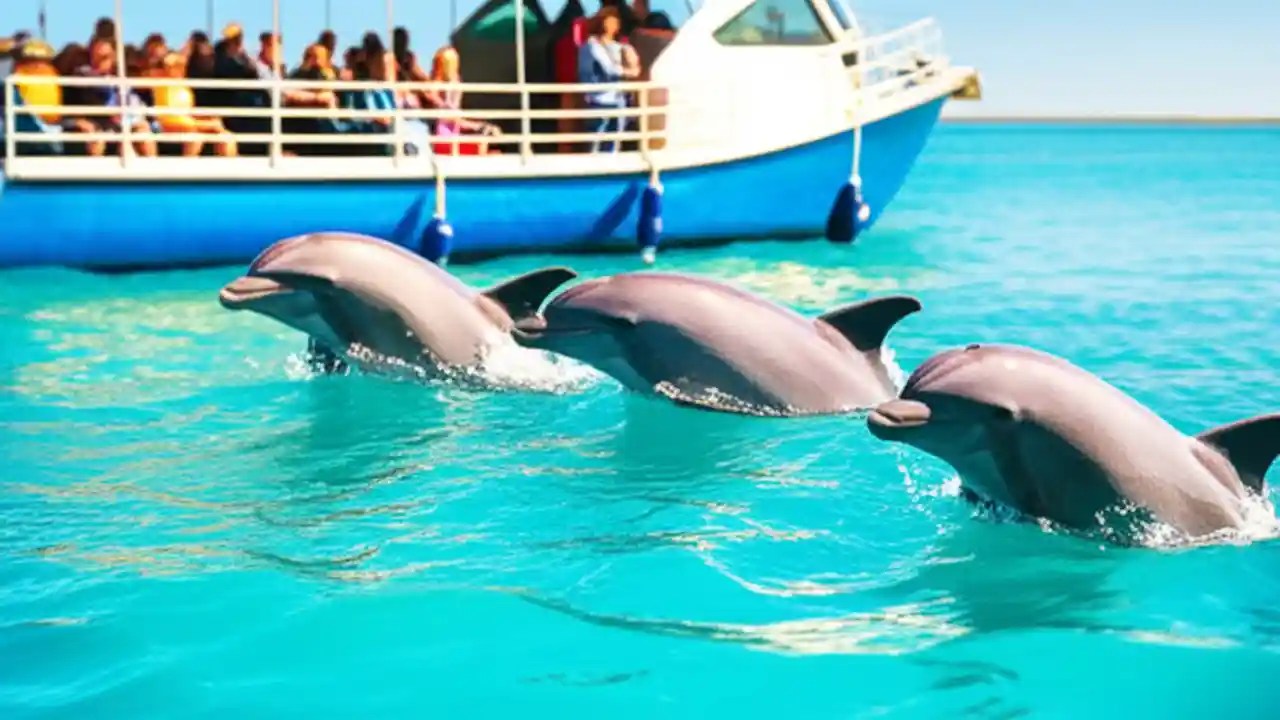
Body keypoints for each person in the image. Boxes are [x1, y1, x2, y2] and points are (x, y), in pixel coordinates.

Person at [578, 7, 639, 153]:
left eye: (615, 22)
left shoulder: (618, 46)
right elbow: (609, 68)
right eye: (609, 22)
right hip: (599, 100)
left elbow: (631, 61)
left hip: (616, 100)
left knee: (615, 141)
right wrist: (629, 72)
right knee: (597, 141)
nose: (613, 26)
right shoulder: (591, 45)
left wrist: (630, 54)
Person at [153, 52, 237, 157]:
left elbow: (189, 111)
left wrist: (207, 120)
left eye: (181, 66)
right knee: (195, 137)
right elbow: (170, 117)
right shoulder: (161, 82)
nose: (180, 69)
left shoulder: (184, 86)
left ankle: (229, 169)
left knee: (226, 136)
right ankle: (187, 171)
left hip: (189, 122)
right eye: (176, 66)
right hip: (170, 124)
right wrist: (203, 124)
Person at [424, 45, 500, 155]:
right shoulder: (438, 87)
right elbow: (450, 117)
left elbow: (455, 116)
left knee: (493, 150)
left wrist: (479, 126)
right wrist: (478, 126)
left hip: (452, 136)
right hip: (444, 140)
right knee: (483, 143)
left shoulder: (451, 84)